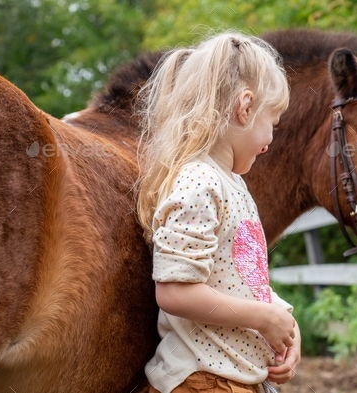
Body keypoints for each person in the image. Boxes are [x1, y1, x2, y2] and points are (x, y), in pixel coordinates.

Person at [136, 31, 300, 393]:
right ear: (244, 107)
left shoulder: (232, 184)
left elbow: (241, 277)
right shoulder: (199, 182)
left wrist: (284, 322)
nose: (270, 142)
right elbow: (175, 292)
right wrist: (262, 317)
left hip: (232, 379)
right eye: (271, 124)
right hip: (202, 381)